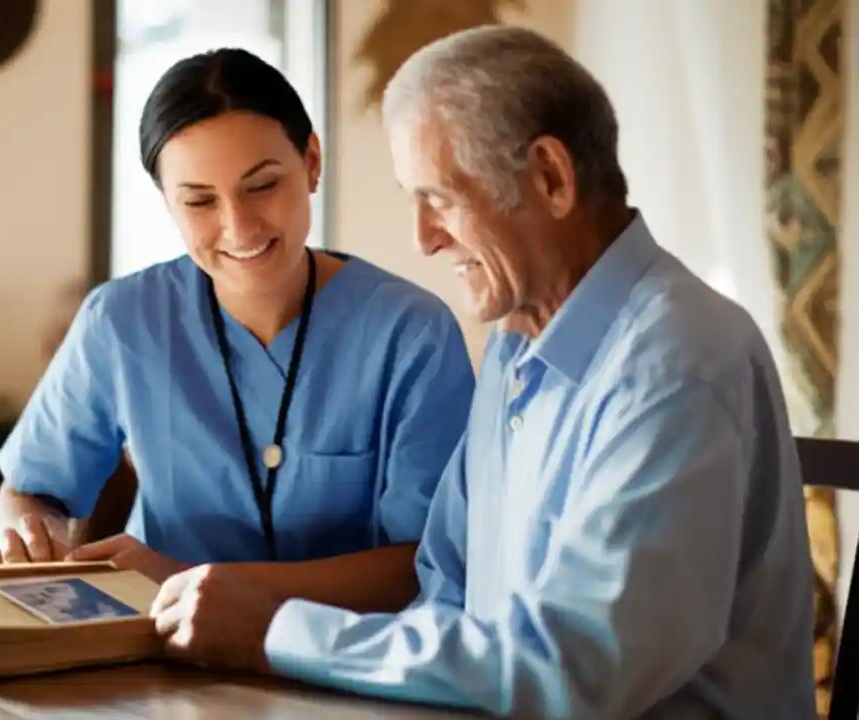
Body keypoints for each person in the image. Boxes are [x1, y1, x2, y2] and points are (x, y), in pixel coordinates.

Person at [149, 26, 815, 719]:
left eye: (439, 197)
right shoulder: (515, 343)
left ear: (551, 178)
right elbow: (446, 589)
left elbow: (575, 667)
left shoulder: (679, 361)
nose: (422, 237)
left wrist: (274, 627)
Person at [0, 48, 476, 615]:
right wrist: (29, 534)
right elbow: (34, 487)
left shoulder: (413, 335)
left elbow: (421, 568)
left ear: (311, 162)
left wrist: (191, 580)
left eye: (262, 186)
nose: (238, 226)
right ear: (167, 202)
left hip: (349, 670)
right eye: (198, 200)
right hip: (157, 666)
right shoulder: (120, 321)